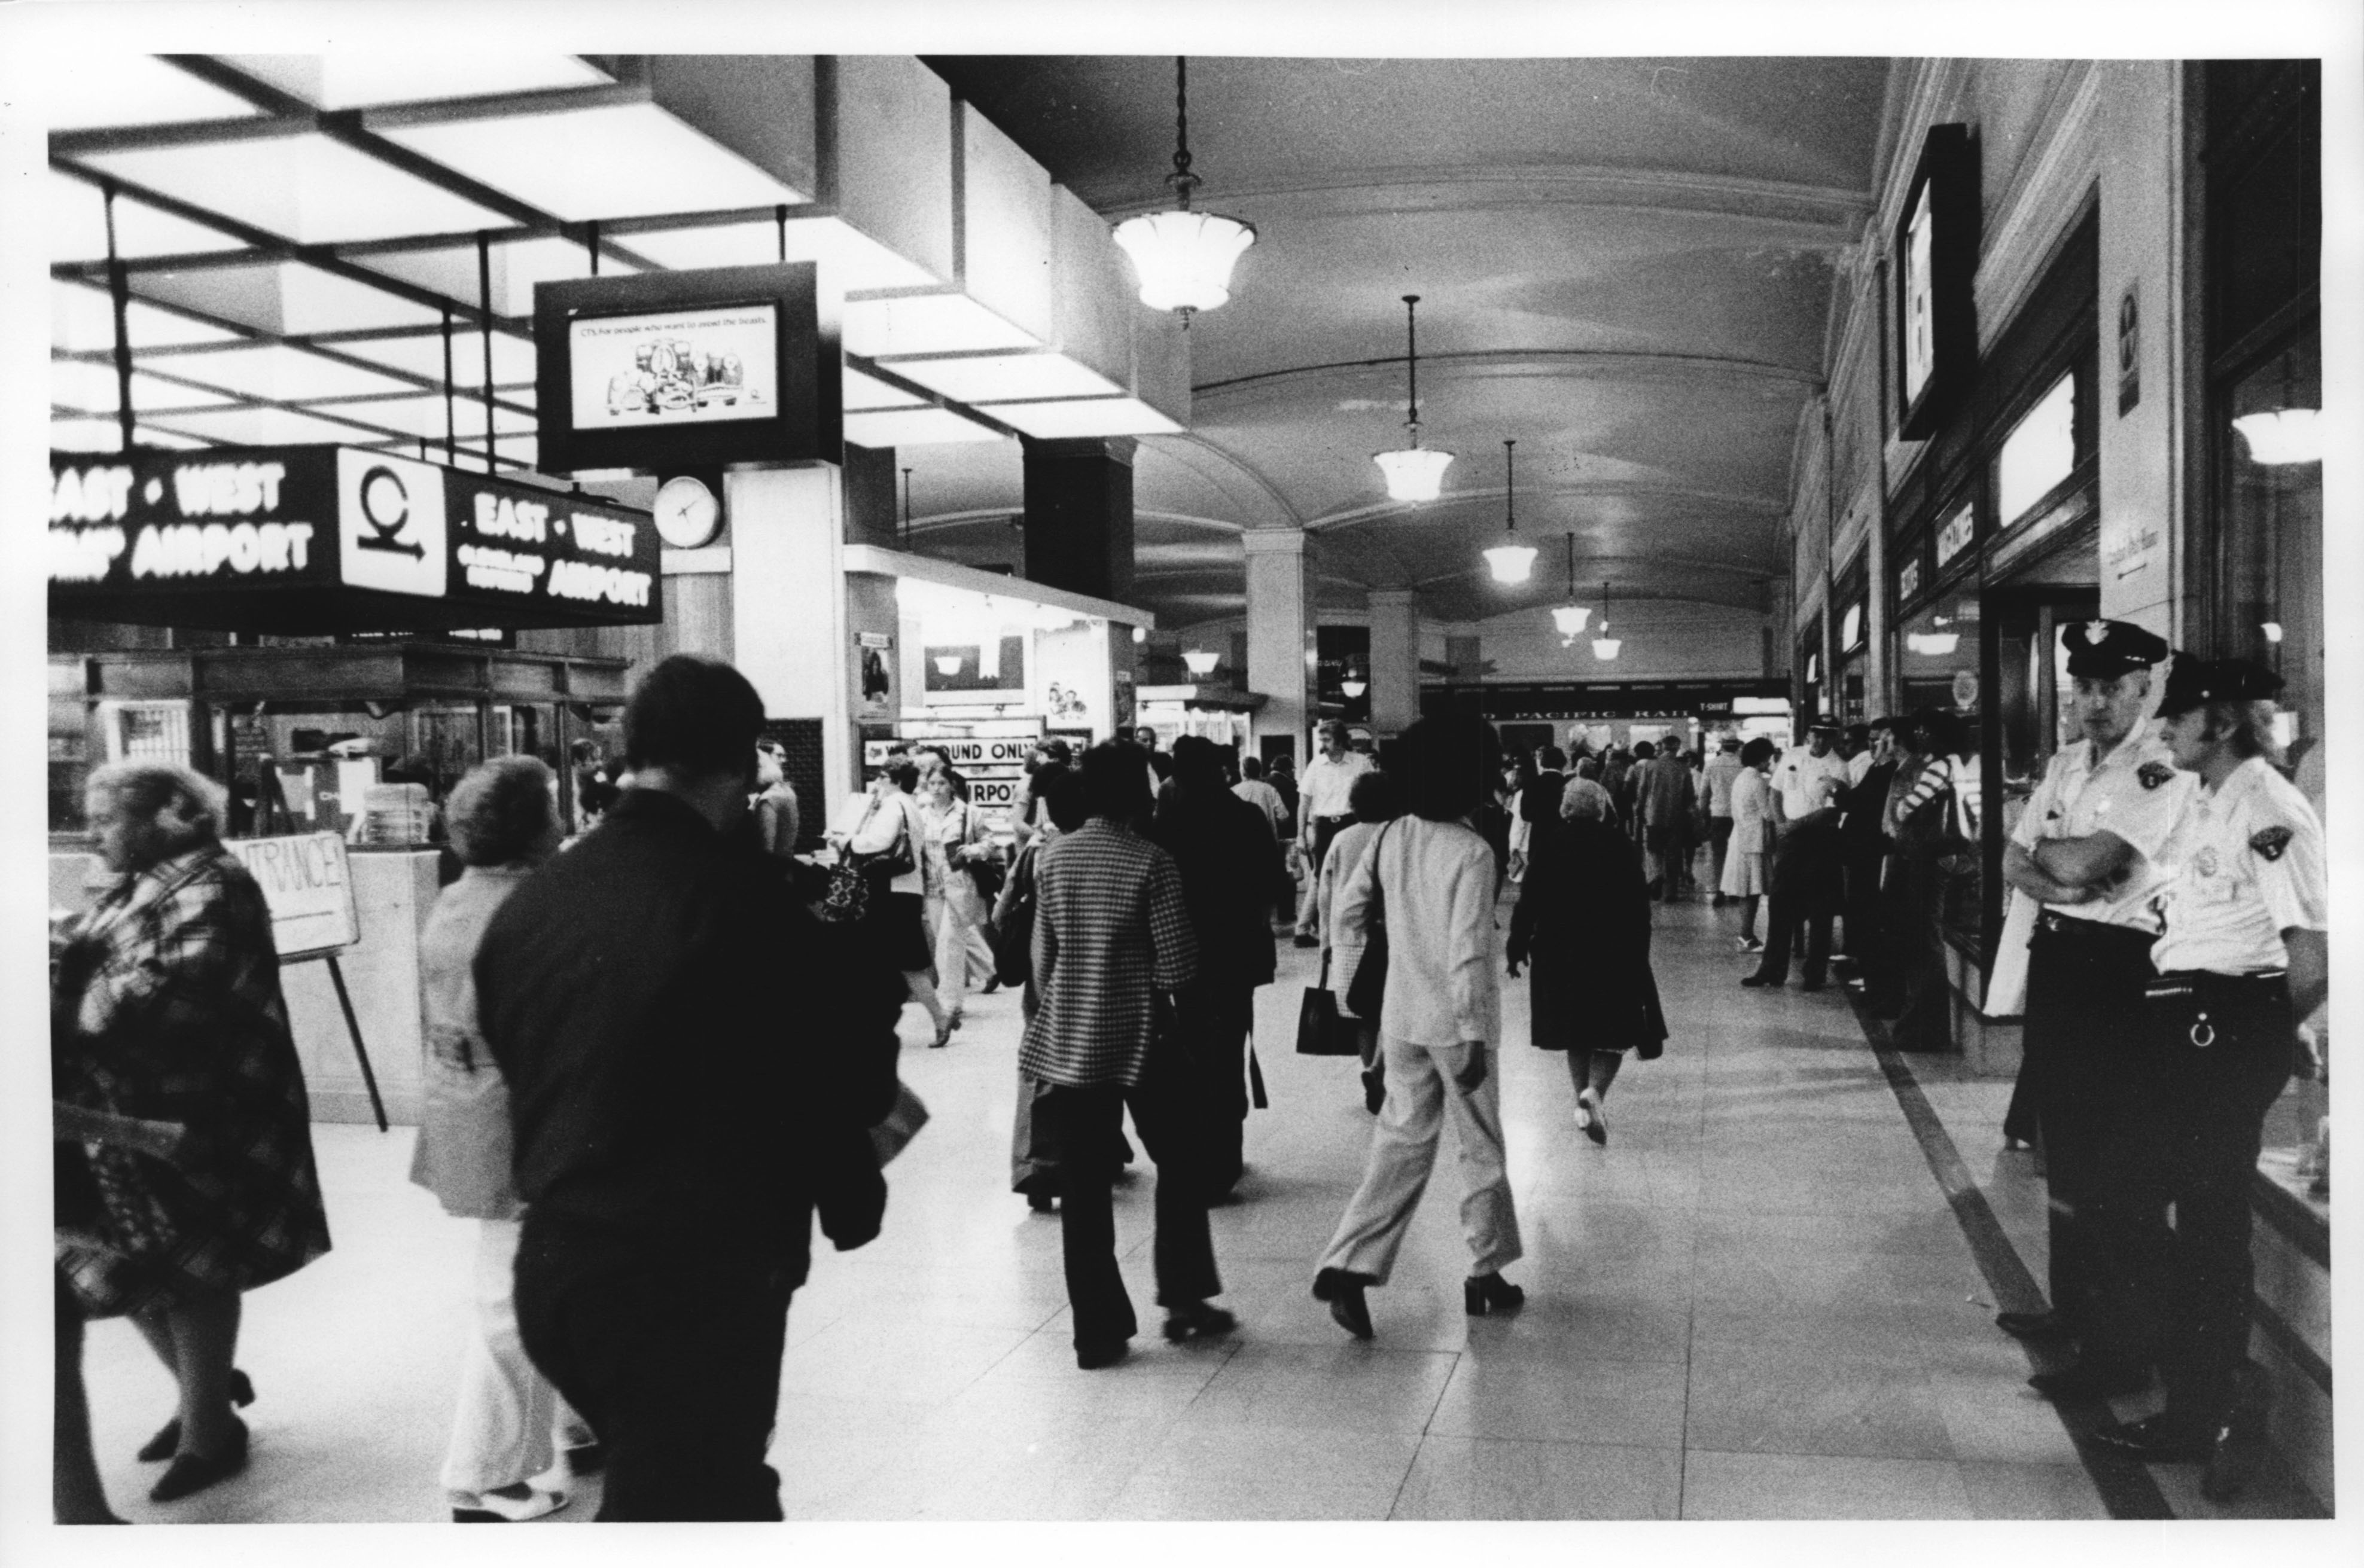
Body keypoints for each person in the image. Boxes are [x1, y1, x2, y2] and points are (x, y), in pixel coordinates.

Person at [476, 655, 901, 1521]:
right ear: (745, 764)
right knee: (700, 1495)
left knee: (677, 1481)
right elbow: (834, 1080)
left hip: (556, 1270)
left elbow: (529, 1060)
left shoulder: (534, 899)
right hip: (688, 1280)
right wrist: (852, 1195)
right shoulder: (746, 902)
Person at [52, 761, 333, 1504]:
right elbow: (90, 959)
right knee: (128, 1263)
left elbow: (170, 994)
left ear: (164, 818)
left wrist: (71, 981)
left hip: (204, 1111)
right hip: (132, 1114)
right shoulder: (143, 879)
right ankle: (204, 1398)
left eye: (108, 817)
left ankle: (209, 1429)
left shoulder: (212, 882)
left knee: (193, 1268)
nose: (94, 830)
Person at [2082, 658, 2325, 1499]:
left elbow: (2312, 955)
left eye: (2175, 720)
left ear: (2218, 723)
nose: (2162, 732)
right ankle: (2205, 1385)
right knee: (2148, 1204)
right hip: (2191, 1021)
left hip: (2223, 1027)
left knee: (2206, 1227)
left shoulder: (2267, 808)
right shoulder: (2217, 802)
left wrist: (2252, 1041)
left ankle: (2209, 1404)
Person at [1990, 622, 2194, 1406]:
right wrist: (2063, 877)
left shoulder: (2160, 770)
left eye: (2115, 686)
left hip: (2121, 976)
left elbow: (2079, 859)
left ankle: (2121, 1351)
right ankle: (2072, 1309)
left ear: (2147, 689)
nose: (2097, 701)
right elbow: (2014, 858)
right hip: (2061, 960)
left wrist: (2060, 863)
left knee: (2115, 1170)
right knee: (2066, 1148)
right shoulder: (2067, 762)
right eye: (2086, 686)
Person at [1312, 714, 1525, 1340]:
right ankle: (1485, 1273)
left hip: (1400, 1018)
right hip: (1457, 1025)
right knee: (1481, 1147)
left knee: (1400, 1145)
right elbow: (1466, 953)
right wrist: (1474, 1036)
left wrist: (1396, 939)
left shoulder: (1390, 835)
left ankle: (1349, 1264)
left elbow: (1348, 910)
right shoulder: (1472, 852)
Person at [1025, 741, 1228, 1365]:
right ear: (1137, 794)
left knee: (1084, 1188)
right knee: (1183, 1159)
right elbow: (1177, 967)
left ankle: (1099, 1332)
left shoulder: (1053, 860)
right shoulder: (1152, 862)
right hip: (1145, 1039)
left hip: (1071, 1043)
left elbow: (1041, 962)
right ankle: (1185, 1298)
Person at [410, 757, 571, 1524]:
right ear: (535, 825)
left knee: (525, 1279)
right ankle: (480, 1475)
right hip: (519, 1117)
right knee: (511, 1299)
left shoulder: (457, 897)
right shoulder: (534, 908)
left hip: (464, 1106)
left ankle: (573, 1422)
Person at [1152, 736, 1282, 1200]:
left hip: (1187, 955)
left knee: (1193, 1050)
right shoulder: (1244, 817)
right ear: (1221, 771)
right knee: (1230, 1044)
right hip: (1238, 952)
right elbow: (1272, 884)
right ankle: (1226, 1154)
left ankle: (1201, 1154)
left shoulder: (1168, 825)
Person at [1507, 777, 1668, 1144]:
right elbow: (1638, 908)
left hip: (1557, 951)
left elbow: (1528, 900)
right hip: (1612, 950)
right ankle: (1594, 1093)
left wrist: (1516, 946)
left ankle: (1581, 1105)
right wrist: (1639, 954)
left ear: (1566, 808)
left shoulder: (1550, 843)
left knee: (1574, 1031)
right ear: (1602, 808)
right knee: (1612, 1034)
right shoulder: (1620, 845)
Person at [831, 760, 952, 1047]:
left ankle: (938, 1018)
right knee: (899, 961)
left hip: (890, 891)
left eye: (882, 777)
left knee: (899, 962)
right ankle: (929, 1018)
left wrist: (847, 840)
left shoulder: (893, 805)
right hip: (906, 891)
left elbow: (879, 840)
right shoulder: (909, 806)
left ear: (894, 780)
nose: (878, 782)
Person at [1317, 770, 1405, 1115]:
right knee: (1393, 1011)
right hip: (1391, 937)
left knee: (1362, 1014)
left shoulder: (1342, 839)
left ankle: (1369, 1069)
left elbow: (1325, 890)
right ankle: (1383, 1071)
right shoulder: (1398, 837)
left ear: (1354, 804)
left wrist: (1324, 937)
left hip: (1349, 939)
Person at [916, 766, 997, 1039]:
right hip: (932, 888)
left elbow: (989, 842)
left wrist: (975, 850)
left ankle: (948, 1006)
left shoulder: (969, 813)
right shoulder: (921, 814)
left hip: (959, 886)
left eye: (941, 783)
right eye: (932, 783)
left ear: (952, 785)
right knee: (944, 942)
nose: (936, 788)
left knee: (949, 946)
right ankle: (961, 996)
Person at [1742, 777, 1845, 990]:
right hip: (1793, 846)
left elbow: (1829, 813)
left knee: (1820, 915)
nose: (1816, 741)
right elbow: (1775, 795)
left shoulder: (1837, 771)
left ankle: (1814, 975)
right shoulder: (1792, 763)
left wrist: (1791, 826)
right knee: (1780, 906)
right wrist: (1784, 826)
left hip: (1822, 845)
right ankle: (1772, 970)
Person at [1835, 718, 1903, 995]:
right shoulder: (1878, 768)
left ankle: (1876, 978)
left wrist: (1839, 791)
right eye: (1873, 739)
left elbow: (1863, 804)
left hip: (1874, 852)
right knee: (1861, 912)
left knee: (1872, 914)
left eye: (1882, 740)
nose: (1874, 745)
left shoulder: (1891, 770)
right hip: (1861, 851)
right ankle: (1870, 972)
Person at [1294, 721, 1376, 947]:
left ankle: (1352, 930)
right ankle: (1325, 936)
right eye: (1321, 740)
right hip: (1323, 825)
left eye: (1327, 740)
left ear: (1340, 739)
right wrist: (1301, 834)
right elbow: (1304, 802)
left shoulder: (1360, 763)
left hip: (1352, 822)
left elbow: (1372, 795)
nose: (1323, 745)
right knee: (1323, 878)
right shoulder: (1316, 765)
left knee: (1354, 875)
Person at [1718, 737, 1776, 951]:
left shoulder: (1742, 777)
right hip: (1754, 842)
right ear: (1762, 758)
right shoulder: (1757, 781)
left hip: (1741, 838)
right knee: (1752, 891)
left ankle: (1746, 935)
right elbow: (1769, 814)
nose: (1770, 762)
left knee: (1748, 891)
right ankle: (1746, 936)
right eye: (1769, 758)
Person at [1635, 738, 1697, 902]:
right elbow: (1689, 796)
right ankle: (1671, 892)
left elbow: (1642, 791)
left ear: (1662, 748)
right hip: (1675, 817)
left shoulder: (1650, 765)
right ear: (1678, 749)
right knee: (1673, 854)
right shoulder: (1684, 768)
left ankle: (1657, 877)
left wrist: (1640, 810)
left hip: (1653, 815)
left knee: (1654, 850)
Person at [1506, 745, 1567, 884]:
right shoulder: (1567, 784)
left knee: (1539, 880)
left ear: (1543, 763)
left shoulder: (1532, 784)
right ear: (1563, 763)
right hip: (1562, 837)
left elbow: (1525, 815)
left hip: (1537, 838)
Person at [1702, 736, 1743, 905]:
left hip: (1718, 814)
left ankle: (1719, 890)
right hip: (1739, 815)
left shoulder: (1711, 765)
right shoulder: (1743, 765)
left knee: (1718, 854)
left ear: (1722, 747)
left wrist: (1703, 813)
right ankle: (1734, 891)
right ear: (1737, 748)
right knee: (1737, 853)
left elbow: (1705, 793)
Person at [751, 739, 800, 860]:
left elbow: (767, 849)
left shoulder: (769, 798)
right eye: (779, 756)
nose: (784, 761)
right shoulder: (787, 791)